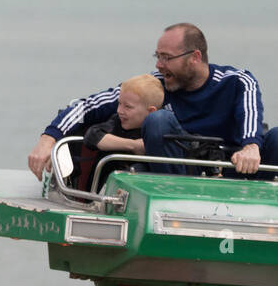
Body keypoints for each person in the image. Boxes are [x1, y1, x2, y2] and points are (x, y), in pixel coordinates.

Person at [27, 23, 278, 180]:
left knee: (276, 136)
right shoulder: (155, 85)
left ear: (195, 57)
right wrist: (48, 139)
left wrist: (251, 148)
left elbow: (251, 117)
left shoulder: (237, 81)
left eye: (167, 58)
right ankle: (177, 199)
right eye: (157, 57)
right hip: (177, 178)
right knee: (159, 120)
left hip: (234, 172)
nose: (159, 65)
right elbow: (87, 106)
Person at [73, 74, 163, 191]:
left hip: (142, 189)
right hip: (103, 192)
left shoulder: (159, 131)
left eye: (128, 107)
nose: (120, 111)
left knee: (140, 168)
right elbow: (92, 136)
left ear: (151, 111)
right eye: (119, 103)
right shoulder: (117, 122)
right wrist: (134, 145)